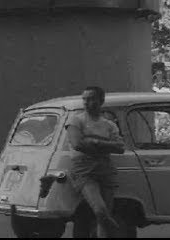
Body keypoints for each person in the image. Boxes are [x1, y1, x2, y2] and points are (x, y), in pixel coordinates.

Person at [65, 86, 125, 237]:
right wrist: (106, 144)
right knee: (100, 210)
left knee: (105, 212)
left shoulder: (109, 124)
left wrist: (94, 142)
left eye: (91, 99)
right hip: (83, 169)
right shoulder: (76, 120)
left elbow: (120, 147)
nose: (86, 102)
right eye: (84, 99)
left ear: (101, 101)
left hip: (105, 168)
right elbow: (77, 144)